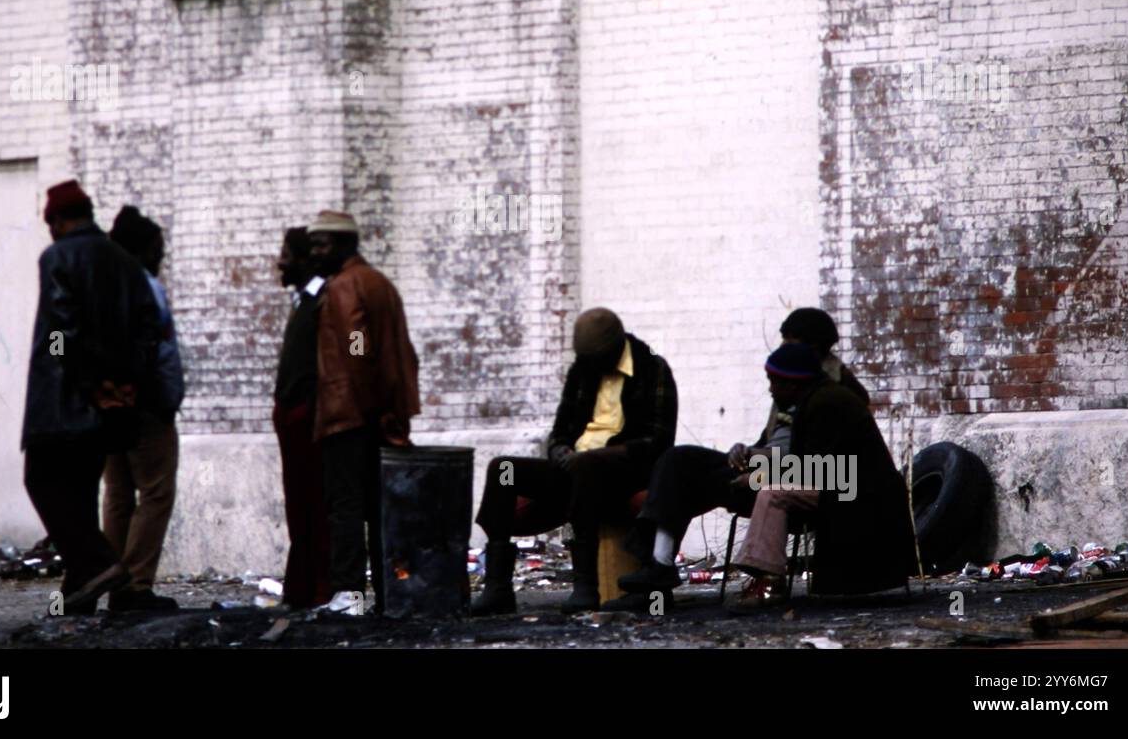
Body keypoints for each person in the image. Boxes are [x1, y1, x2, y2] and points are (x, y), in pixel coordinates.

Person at [606, 307, 869, 610]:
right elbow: (776, 434)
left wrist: (760, 464)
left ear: (815, 346)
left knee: (684, 481)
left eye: (791, 342)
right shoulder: (791, 376)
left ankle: (656, 585)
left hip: (790, 476)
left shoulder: (831, 391)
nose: (783, 349)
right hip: (764, 464)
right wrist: (746, 449)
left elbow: (818, 464)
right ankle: (658, 570)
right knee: (678, 461)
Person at [471, 307, 678, 616]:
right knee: (503, 469)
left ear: (614, 349)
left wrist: (602, 455)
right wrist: (560, 450)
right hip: (575, 469)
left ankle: (586, 586)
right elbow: (559, 432)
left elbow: (659, 441)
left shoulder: (652, 369)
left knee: (586, 466)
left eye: (598, 360)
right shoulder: (583, 371)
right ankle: (498, 586)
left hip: (628, 470)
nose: (593, 366)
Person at [21, 180, 159, 615]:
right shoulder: (125, 262)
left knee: (41, 481)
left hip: (63, 403)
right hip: (107, 411)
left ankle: (99, 565)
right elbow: (146, 332)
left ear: (58, 221)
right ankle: (76, 598)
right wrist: (122, 385)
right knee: (79, 496)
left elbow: (62, 332)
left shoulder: (58, 257)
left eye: (51, 224)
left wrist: (80, 378)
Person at [727, 342, 916, 607]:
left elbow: (815, 468)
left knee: (773, 493)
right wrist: (753, 458)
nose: (770, 389)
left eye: (774, 382)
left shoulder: (825, 404)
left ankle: (769, 584)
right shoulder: (819, 398)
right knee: (773, 490)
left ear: (792, 383)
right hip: (847, 483)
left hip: (860, 491)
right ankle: (766, 580)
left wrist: (757, 478)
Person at [309, 210, 421, 616]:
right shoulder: (382, 284)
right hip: (381, 411)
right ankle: (389, 595)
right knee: (379, 509)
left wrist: (359, 389)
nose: (315, 253)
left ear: (343, 245)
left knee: (346, 507)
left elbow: (357, 342)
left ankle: (350, 595)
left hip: (350, 414)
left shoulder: (345, 286)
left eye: (322, 244)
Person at [101, 206, 184, 612]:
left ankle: (111, 579)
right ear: (141, 250)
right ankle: (134, 587)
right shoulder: (147, 287)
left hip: (109, 405)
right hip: (147, 406)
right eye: (157, 249)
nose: (161, 258)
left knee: (118, 494)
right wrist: (168, 400)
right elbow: (162, 352)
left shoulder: (98, 284)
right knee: (156, 492)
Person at [271, 226, 332, 608]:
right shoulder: (303, 301)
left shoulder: (322, 301)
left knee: (313, 502)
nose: (280, 262)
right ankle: (302, 586)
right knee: (299, 502)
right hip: (293, 416)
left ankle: (315, 588)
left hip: (306, 417)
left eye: (287, 255)